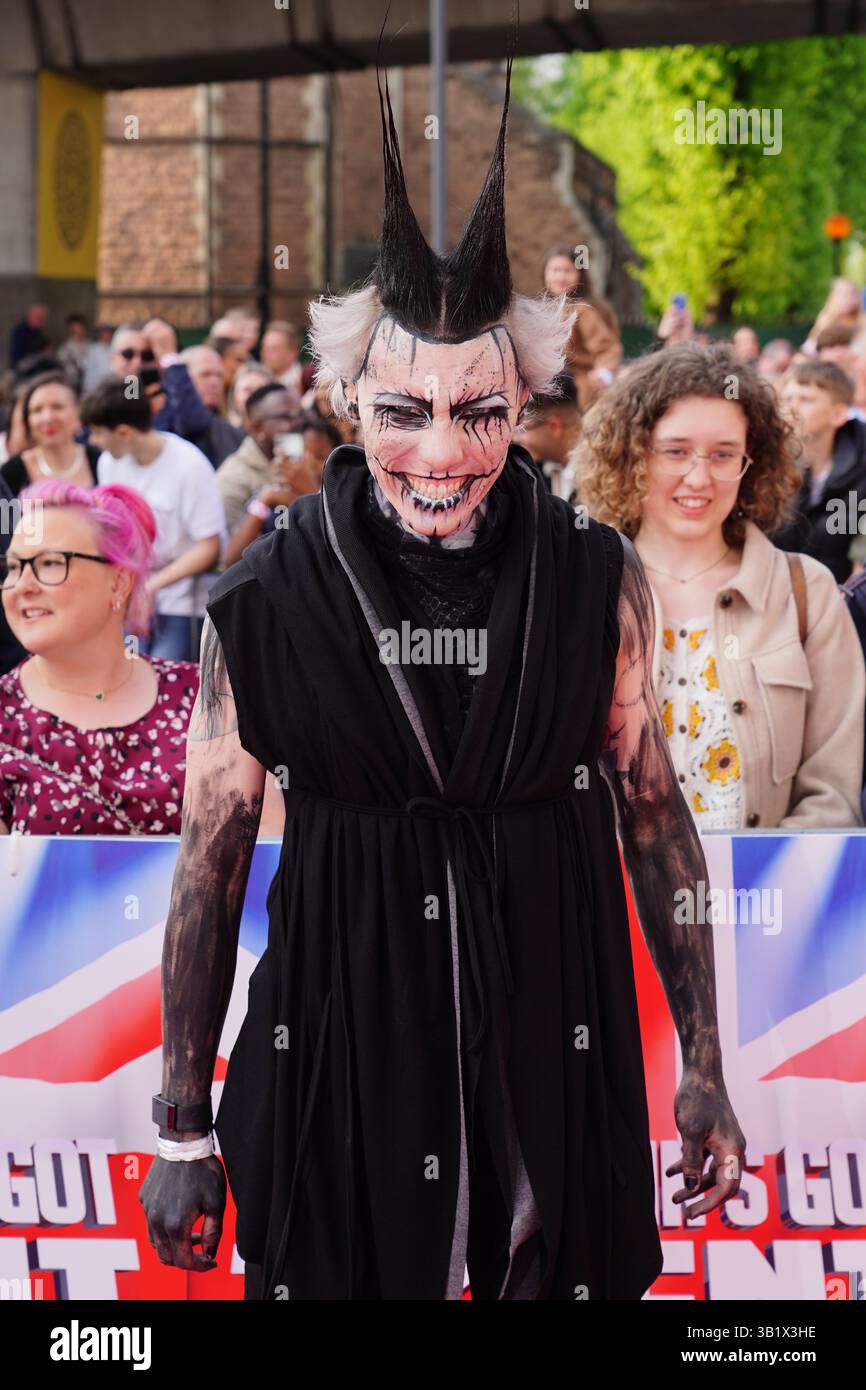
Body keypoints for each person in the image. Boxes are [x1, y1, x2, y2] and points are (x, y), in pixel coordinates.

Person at [140, 58, 746, 1303]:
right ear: (347, 400)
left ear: (523, 402)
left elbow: (652, 818)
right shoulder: (261, 603)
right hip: (345, 1030)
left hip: (550, 1009)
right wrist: (182, 1124)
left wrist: (702, 1063)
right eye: (401, 409)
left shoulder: (595, 581)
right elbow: (207, 857)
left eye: (477, 412)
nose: (437, 451)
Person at [577, 343, 865, 830]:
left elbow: (831, 796)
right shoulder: (580, 589)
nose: (699, 476)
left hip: (766, 896)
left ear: (752, 462)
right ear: (633, 455)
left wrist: (753, 887)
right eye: (676, 451)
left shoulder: (808, 594)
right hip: (610, 901)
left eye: (723, 454)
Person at [0, 480, 199, 834]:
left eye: (49, 563)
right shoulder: (5, 718)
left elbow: (263, 853)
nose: (22, 585)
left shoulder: (202, 699)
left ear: (119, 582)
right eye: (14, 567)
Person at [81, 377, 226, 662]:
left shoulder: (189, 464)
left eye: (97, 432)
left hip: (183, 598)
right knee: (124, 673)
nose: (93, 441)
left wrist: (151, 587)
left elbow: (210, 546)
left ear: (123, 432)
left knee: (164, 677)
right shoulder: (109, 463)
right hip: (131, 592)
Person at [773, 360, 866, 582]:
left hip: (840, 600)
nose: (792, 407)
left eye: (805, 399)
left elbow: (860, 565)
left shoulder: (862, 471)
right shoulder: (767, 466)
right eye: (787, 399)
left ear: (838, 414)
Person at [223, 412, 341, 565]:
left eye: (319, 457)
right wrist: (266, 499)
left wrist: (308, 494)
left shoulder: (338, 499)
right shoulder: (271, 499)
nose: (309, 464)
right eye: (301, 456)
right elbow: (231, 557)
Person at [215, 383, 302, 537]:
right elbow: (230, 554)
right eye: (286, 417)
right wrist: (264, 502)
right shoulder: (232, 478)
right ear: (257, 428)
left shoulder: (308, 460)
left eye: (300, 415)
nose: (297, 424)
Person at [542, 247, 621, 409]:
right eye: (555, 270)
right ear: (545, 273)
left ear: (580, 275)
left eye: (567, 271)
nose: (560, 276)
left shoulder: (582, 310)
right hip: (548, 388)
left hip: (579, 389)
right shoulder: (542, 309)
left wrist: (603, 373)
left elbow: (607, 348)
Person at [1, 373, 99, 498]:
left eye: (57, 407)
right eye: (37, 410)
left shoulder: (100, 461)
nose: (47, 418)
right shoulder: (11, 473)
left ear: (78, 412)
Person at [514, 373, 581, 502]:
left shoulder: (599, 477)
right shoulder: (542, 469)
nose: (515, 439)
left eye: (521, 430)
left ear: (555, 427)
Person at [260, 321, 304, 394]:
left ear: (292, 353)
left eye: (273, 349)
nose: (265, 353)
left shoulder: (305, 382)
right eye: (264, 348)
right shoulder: (258, 379)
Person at [56, 313, 90, 393]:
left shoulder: (92, 346)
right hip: (71, 388)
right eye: (74, 328)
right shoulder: (64, 349)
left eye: (80, 327)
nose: (78, 331)